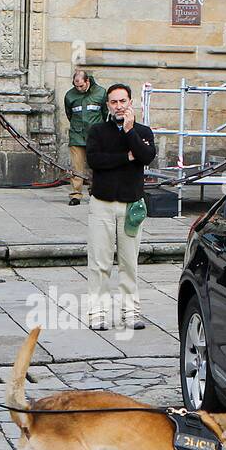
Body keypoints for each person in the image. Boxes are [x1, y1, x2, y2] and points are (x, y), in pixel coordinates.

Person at [84, 82, 156, 331]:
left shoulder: (143, 132)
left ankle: (131, 313)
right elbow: (95, 160)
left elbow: (146, 157)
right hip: (102, 204)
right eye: (113, 102)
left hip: (131, 206)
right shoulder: (97, 131)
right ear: (107, 105)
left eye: (122, 101)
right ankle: (97, 314)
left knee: (129, 263)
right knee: (99, 263)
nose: (118, 106)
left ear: (130, 103)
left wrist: (129, 132)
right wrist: (125, 158)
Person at [63, 69, 107, 206]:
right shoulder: (70, 96)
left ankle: (96, 191)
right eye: (76, 86)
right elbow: (69, 113)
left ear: (87, 81)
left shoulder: (101, 93)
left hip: (95, 135)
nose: (79, 88)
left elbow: (105, 113)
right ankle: (75, 194)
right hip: (77, 134)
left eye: (81, 86)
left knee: (96, 165)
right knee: (77, 166)